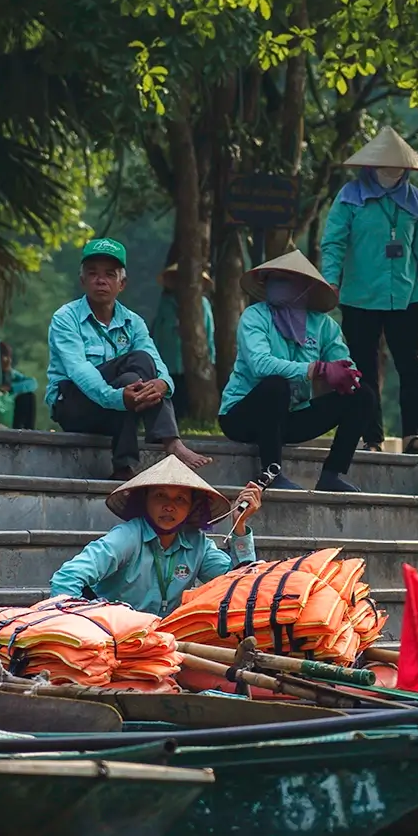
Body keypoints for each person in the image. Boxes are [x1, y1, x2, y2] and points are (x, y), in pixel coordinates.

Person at [46, 237, 212, 480]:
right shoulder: (65, 318)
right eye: (92, 274)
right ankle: (171, 440)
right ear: (83, 281)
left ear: (122, 283)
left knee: (135, 375)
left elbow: (156, 363)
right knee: (135, 367)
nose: (100, 280)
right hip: (73, 405)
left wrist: (164, 384)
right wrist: (117, 397)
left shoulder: (133, 322)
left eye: (109, 274)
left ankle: (124, 468)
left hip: (115, 408)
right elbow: (79, 370)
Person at [320, 127, 418, 454]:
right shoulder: (349, 197)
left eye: (398, 167)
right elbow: (333, 243)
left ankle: (412, 436)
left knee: (411, 369)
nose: (392, 172)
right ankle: (371, 438)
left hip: (405, 297)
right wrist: (330, 280)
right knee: (363, 371)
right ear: (371, 166)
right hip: (360, 297)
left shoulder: (416, 201)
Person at [218, 251, 374, 493]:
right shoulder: (255, 316)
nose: (275, 285)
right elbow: (260, 364)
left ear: (304, 287)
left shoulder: (324, 326)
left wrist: (343, 376)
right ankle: (272, 472)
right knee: (276, 385)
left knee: (362, 394)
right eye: (272, 279)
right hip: (242, 416)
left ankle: (332, 475)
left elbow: (344, 364)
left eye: (284, 279)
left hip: (290, 419)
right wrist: (317, 369)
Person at [49, 455, 262, 616]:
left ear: (191, 508)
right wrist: (75, 623)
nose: (169, 506)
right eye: (160, 496)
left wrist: (239, 525)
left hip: (164, 644)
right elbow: (67, 578)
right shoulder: (128, 537)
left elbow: (238, 585)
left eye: (180, 499)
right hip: (113, 636)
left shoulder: (197, 543)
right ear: (145, 500)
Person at [151, 261, 215, 419]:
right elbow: (158, 331)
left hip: (192, 362)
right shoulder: (165, 304)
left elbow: (209, 331)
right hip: (168, 359)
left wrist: (211, 358)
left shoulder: (202, 304)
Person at [0, 336, 38, 430]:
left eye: (10, 356)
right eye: (5, 356)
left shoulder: (10, 375)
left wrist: (11, 388)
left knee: (28, 397)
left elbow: (32, 383)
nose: (9, 360)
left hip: (10, 418)